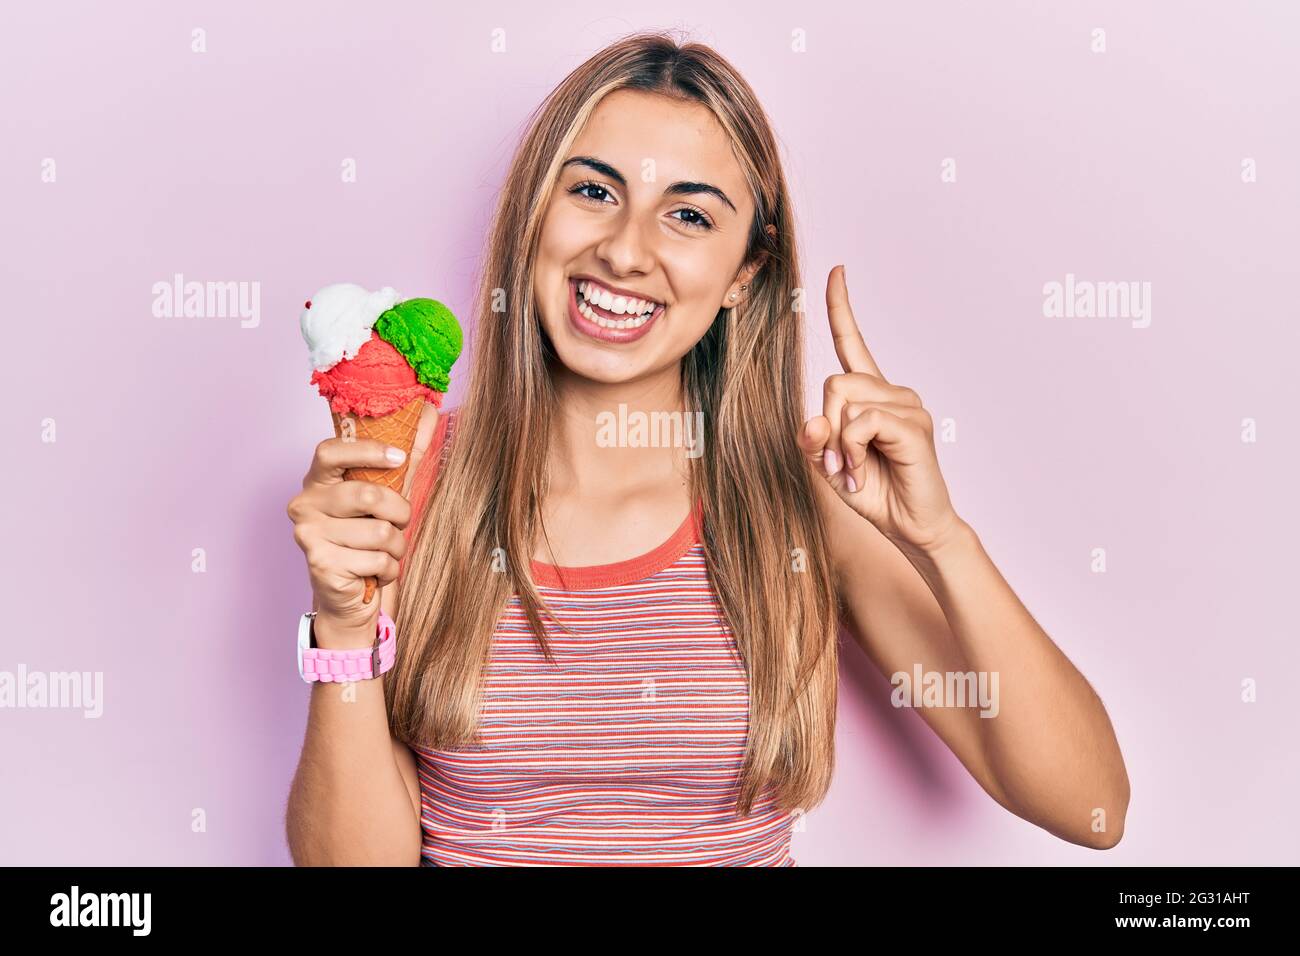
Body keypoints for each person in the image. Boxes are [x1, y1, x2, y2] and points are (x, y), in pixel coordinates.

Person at [285, 30, 1129, 866]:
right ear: (533, 214)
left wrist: (941, 539)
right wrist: (344, 626)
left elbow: (1091, 809)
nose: (624, 250)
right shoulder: (407, 479)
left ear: (742, 277)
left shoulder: (801, 497)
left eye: (688, 215)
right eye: (592, 192)